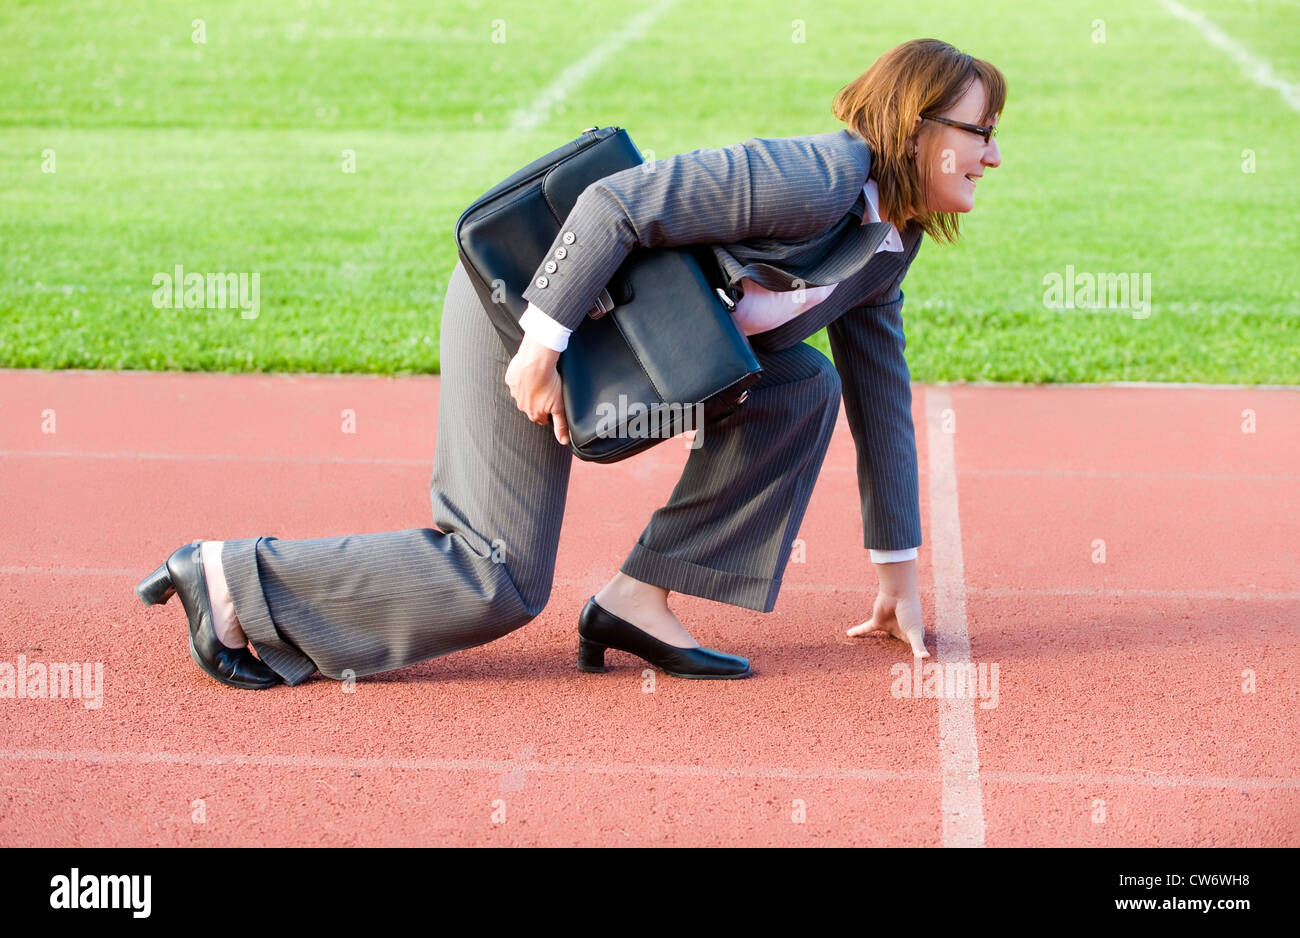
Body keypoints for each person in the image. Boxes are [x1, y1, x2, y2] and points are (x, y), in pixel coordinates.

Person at [134, 38, 1005, 689]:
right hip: (528, 306)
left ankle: (639, 597)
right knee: (498, 579)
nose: (993, 156)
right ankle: (230, 578)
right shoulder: (815, 175)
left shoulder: (890, 247)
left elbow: (879, 399)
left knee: (804, 386)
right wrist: (538, 351)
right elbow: (615, 202)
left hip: (620, 350)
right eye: (981, 131)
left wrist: (897, 580)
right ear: (917, 125)